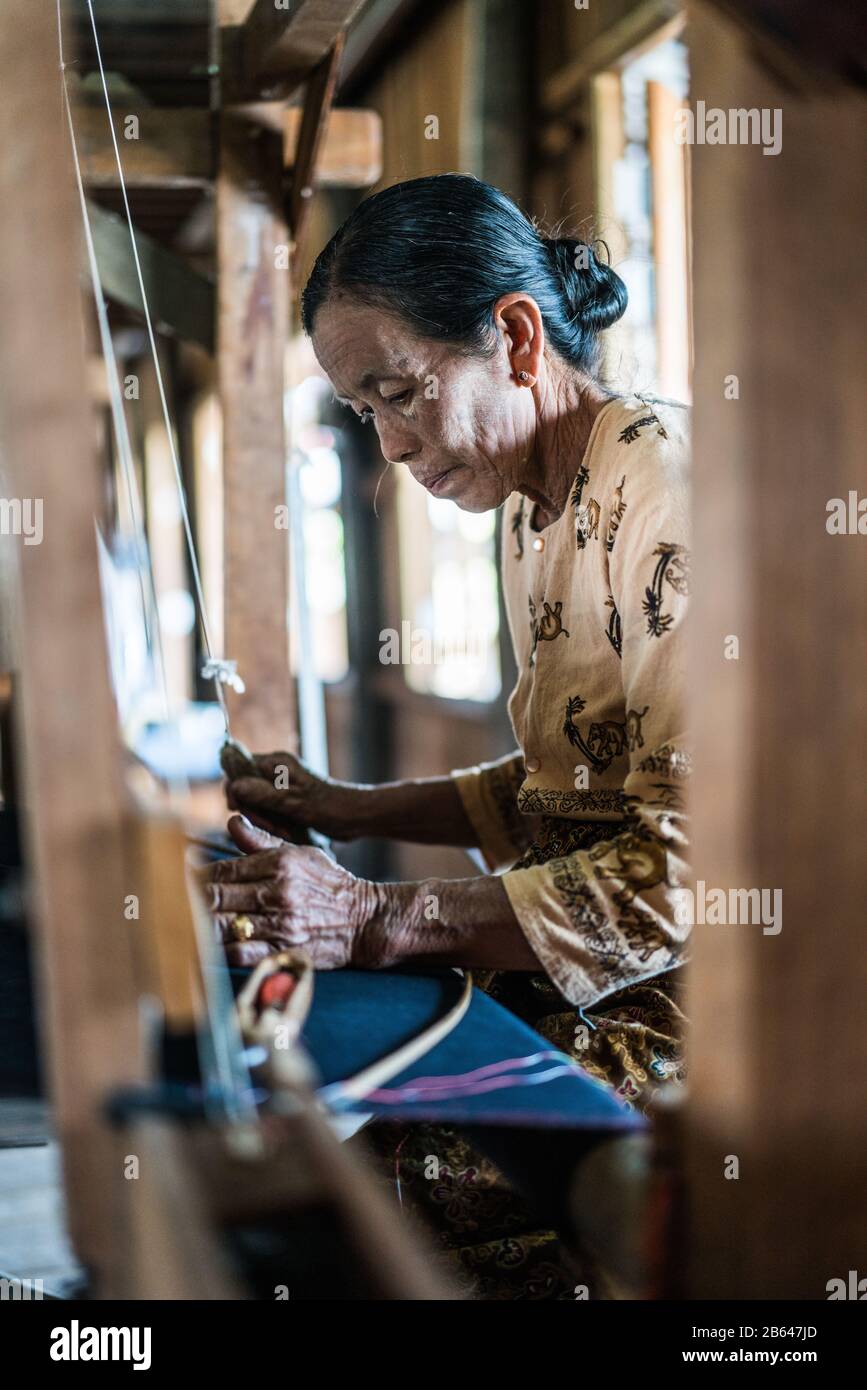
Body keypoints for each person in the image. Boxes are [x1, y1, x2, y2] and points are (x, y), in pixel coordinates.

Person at [205, 174, 690, 1298]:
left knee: (378, 1166)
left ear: (517, 336)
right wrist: (339, 806)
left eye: (400, 392)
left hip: (721, 995)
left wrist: (377, 916)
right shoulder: (535, 503)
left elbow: (689, 874)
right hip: (609, 972)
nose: (392, 450)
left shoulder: (662, 490)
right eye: (364, 413)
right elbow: (566, 780)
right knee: (298, 1115)